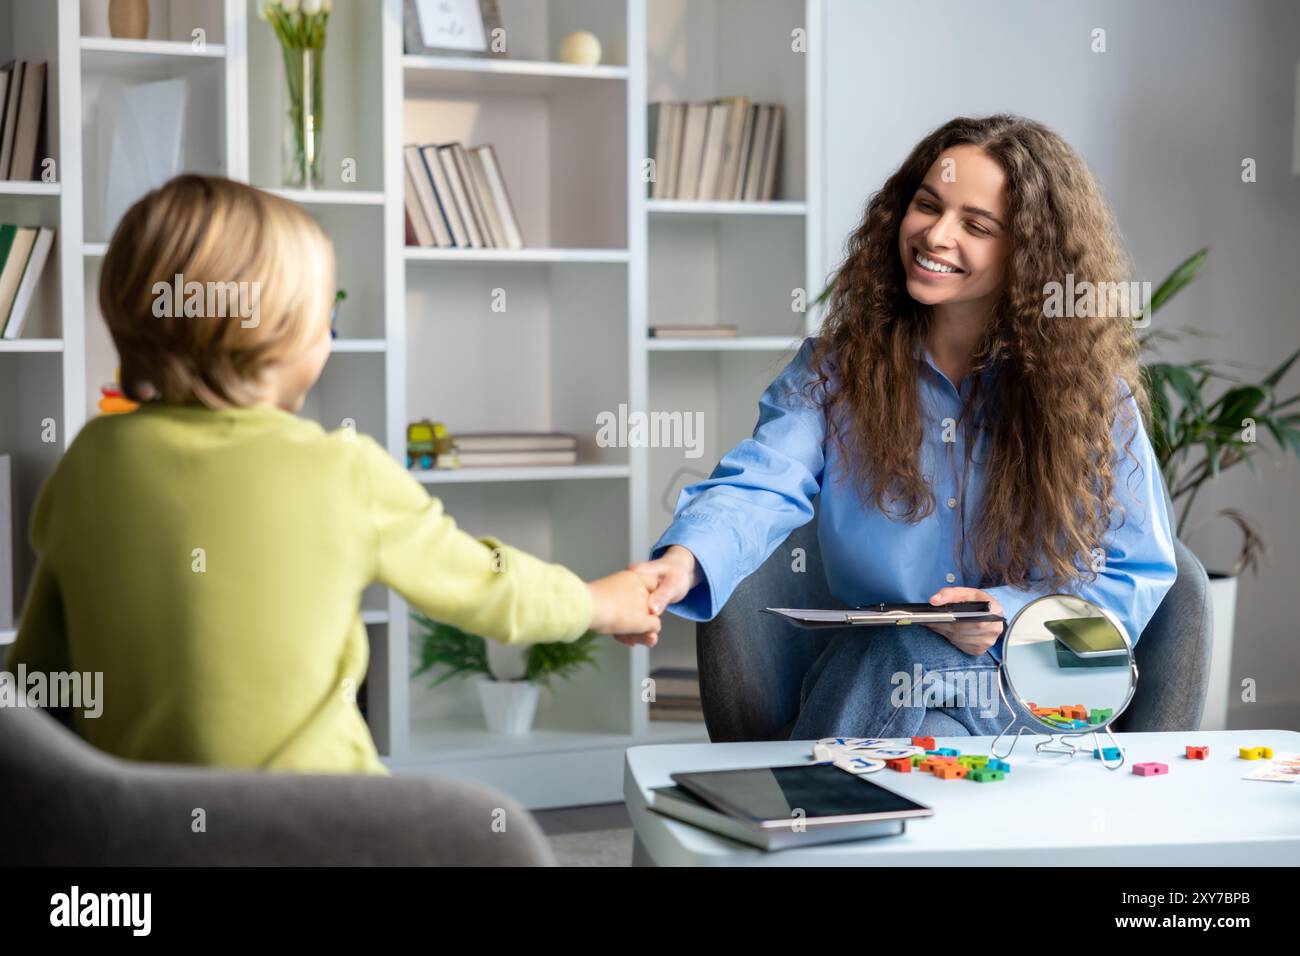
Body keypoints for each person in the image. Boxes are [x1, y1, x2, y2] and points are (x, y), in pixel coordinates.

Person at [5, 174, 660, 774]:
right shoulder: (343, 472)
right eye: (326, 315)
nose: (333, 334)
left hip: (138, 830)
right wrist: (599, 602)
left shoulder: (92, 461)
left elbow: (36, 676)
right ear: (279, 334)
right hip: (319, 826)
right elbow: (488, 589)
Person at [625, 115, 1178, 739]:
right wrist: (681, 562)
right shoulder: (834, 372)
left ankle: (798, 812)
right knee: (905, 671)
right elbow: (762, 481)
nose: (936, 235)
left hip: (1032, 680)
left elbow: (1136, 572)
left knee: (899, 662)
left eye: (976, 225)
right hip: (882, 677)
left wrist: (1009, 614)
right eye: (927, 206)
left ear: (1028, 253)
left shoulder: (1094, 400)